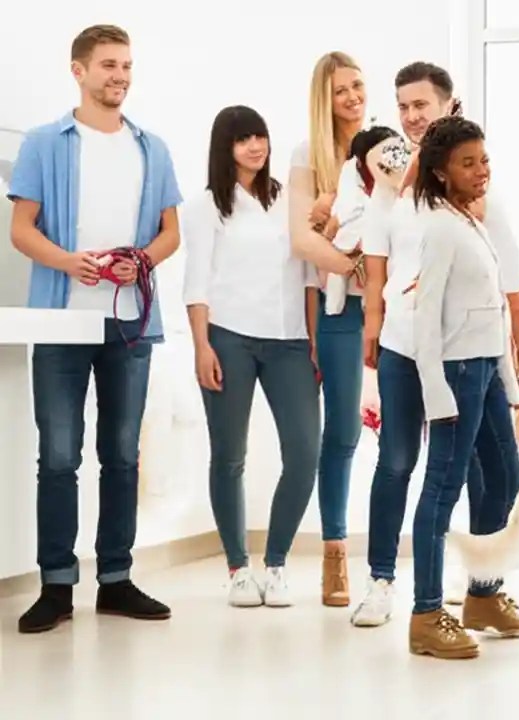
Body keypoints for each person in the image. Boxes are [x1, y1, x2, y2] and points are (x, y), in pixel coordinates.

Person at [8, 24, 180, 633]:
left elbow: (169, 232)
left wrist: (145, 259)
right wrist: (68, 261)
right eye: (108, 65)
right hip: (61, 321)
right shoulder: (44, 143)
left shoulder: (152, 148)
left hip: (128, 323)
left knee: (122, 456)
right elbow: (21, 230)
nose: (120, 76)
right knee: (58, 456)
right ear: (78, 70)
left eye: (127, 65)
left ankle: (116, 580)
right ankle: (56, 586)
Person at [351, 62, 519, 626]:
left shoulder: (474, 193)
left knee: (488, 473)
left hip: (461, 351)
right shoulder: (391, 193)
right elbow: (377, 268)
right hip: (409, 350)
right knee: (399, 462)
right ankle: (385, 582)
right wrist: (374, 324)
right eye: (402, 106)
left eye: (421, 105)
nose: (410, 116)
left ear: (448, 107)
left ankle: (481, 588)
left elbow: (510, 283)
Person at [183, 105, 321, 608]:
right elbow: (196, 282)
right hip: (228, 338)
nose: (255, 147)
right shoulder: (205, 207)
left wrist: (313, 340)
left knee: (306, 453)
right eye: (243, 139)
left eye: (259, 136)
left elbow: (308, 275)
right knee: (229, 456)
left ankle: (277, 564)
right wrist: (202, 346)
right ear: (226, 147)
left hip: (289, 343)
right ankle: (239, 567)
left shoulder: (290, 199)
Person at [408, 115, 519, 658]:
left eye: (484, 159)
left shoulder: (468, 221)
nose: (482, 170)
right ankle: (427, 614)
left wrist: (508, 378)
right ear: (440, 172)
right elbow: (425, 312)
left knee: (505, 476)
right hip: (455, 373)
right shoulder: (438, 227)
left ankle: (483, 594)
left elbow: (496, 311)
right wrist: (434, 391)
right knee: (443, 488)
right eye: (468, 162)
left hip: (484, 370)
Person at [287, 50, 366, 607]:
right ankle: (334, 555)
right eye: (341, 90)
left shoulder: (385, 147)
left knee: (396, 434)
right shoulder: (305, 156)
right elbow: (301, 239)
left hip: (387, 306)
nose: (353, 97)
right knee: (339, 433)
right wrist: (350, 263)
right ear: (324, 98)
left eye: (359, 86)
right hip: (336, 310)